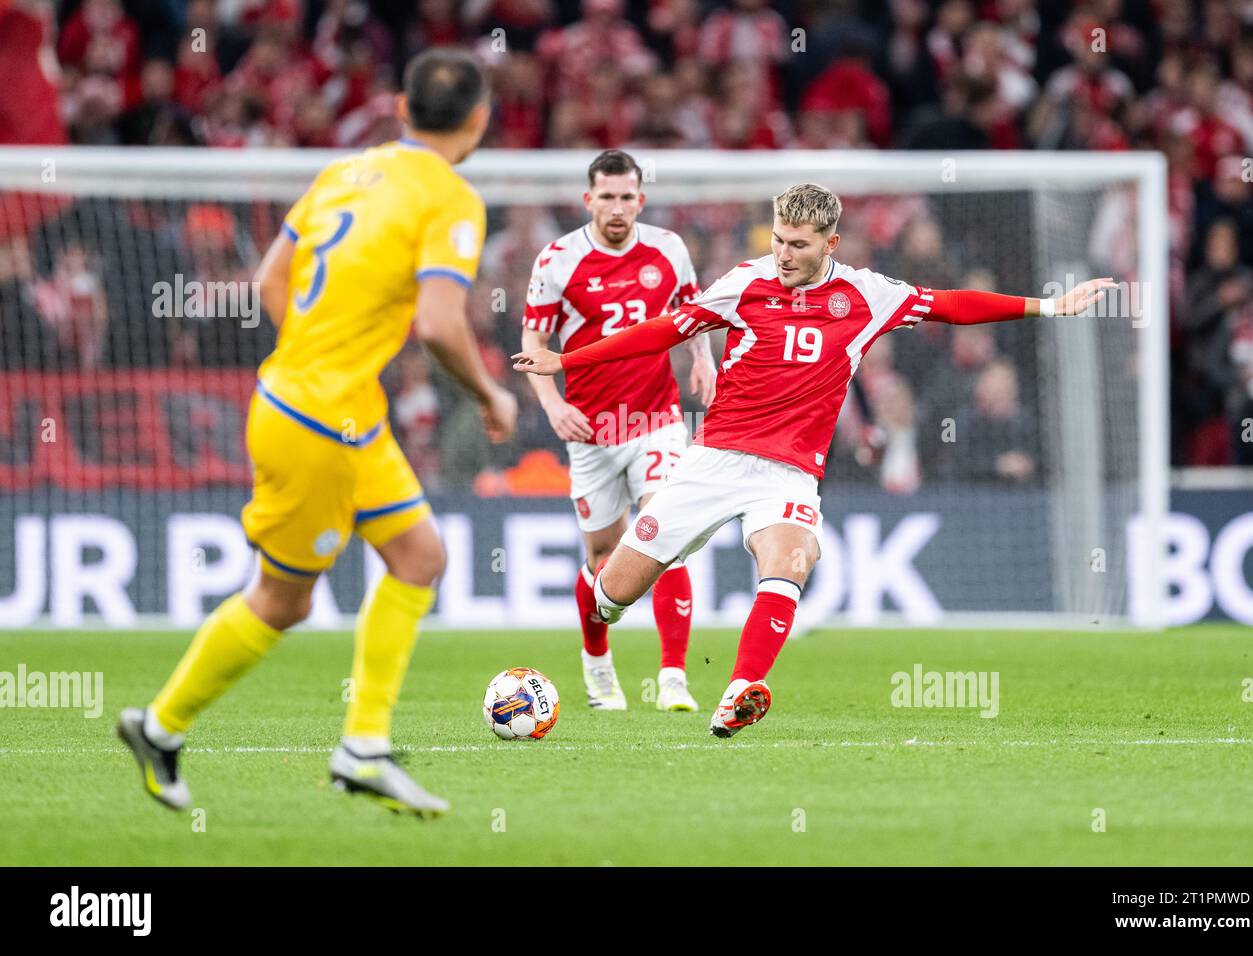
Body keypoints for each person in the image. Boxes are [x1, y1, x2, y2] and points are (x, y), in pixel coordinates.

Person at [514, 182, 1114, 737]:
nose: (783, 253)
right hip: (713, 462)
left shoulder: (867, 295)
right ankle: (595, 645)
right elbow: (664, 330)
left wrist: (1049, 307)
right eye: (777, 239)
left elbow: (951, 305)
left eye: (798, 245)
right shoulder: (745, 282)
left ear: (831, 242)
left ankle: (742, 689)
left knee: (790, 562)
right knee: (610, 594)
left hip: (789, 472)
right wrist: (568, 362)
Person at [117, 48, 516, 818]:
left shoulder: (346, 172)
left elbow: (271, 279)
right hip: (316, 419)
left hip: (339, 408)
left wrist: (318, 358)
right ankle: (160, 729)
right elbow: (438, 323)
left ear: (401, 109)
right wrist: (490, 392)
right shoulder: (451, 198)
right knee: (283, 601)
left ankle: (363, 750)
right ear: (478, 120)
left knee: (419, 555)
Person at [521, 149, 716, 711]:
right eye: (606, 196)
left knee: (665, 536)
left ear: (640, 200)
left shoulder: (669, 249)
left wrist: (702, 359)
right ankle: (597, 661)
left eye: (627, 196)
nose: (617, 207)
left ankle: (675, 679)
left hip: (655, 419)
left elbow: (693, 314)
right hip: (589, 429)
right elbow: (535, 341)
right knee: (604, 559)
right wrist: (551, 403)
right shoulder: (557, 260)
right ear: (588, 201)